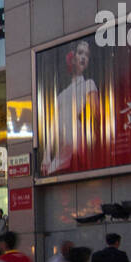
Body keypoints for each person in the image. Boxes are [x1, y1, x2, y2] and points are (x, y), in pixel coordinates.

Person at [40, 39, 99, 176]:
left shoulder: (89, 84)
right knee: (50, 171)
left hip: (77, 145)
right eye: (80, 53)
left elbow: (97, 116)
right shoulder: (61, 94)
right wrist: (46, 155)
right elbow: (53, 125)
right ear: (73, 58)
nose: (84, 57)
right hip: (62, 151)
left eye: (87, 55)